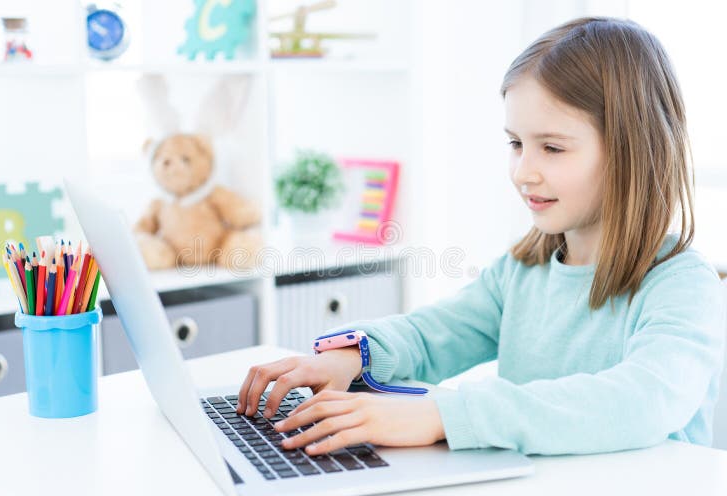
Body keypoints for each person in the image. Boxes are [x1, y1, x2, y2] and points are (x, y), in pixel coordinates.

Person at [237, 17, 727, 456]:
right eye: (516, 144)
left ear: (630, 151)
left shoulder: (682, 284)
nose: (523, 172)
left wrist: (443, 416)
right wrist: (353, 354)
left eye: (552, 148)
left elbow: (641, 401)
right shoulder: (521, 273)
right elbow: (434, 334)